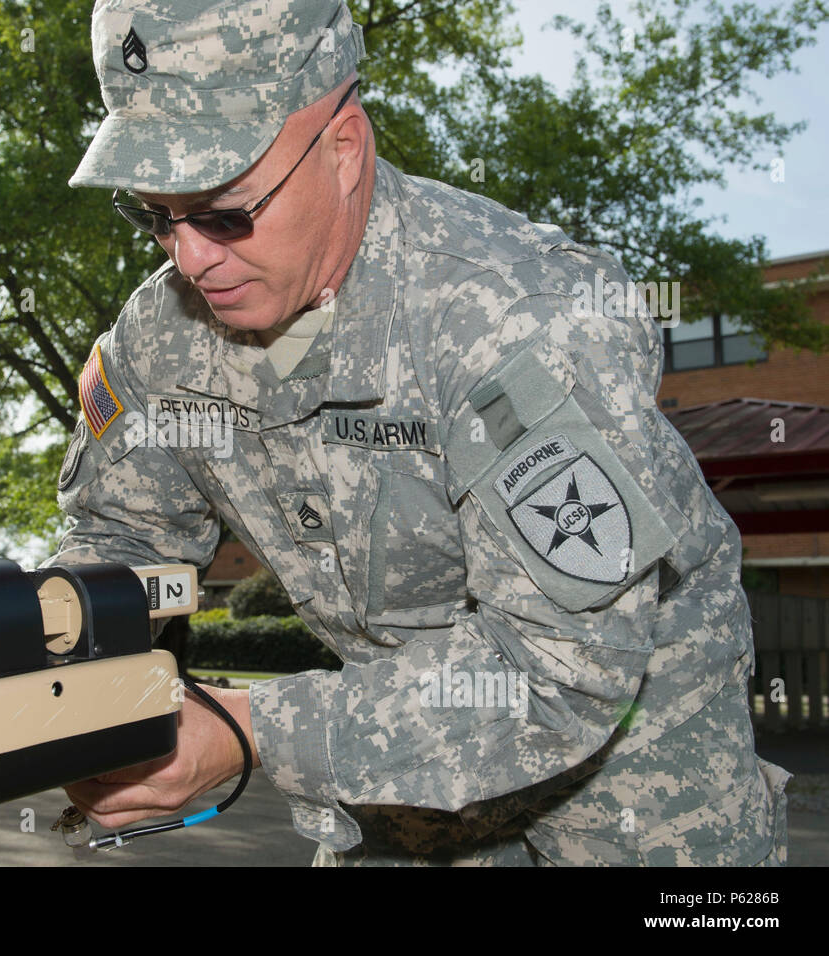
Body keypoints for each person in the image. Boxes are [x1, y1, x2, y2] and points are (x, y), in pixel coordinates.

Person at [48, 0, 789, 865]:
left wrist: (244, 733)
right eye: (152, 215)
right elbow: (122, 537)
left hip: (637, 750)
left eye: (222, 212)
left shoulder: (517, 318)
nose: (189, 257)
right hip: (393, 730)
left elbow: (562, 670)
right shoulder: (157, 344)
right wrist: (63, 651)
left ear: (343, 147)